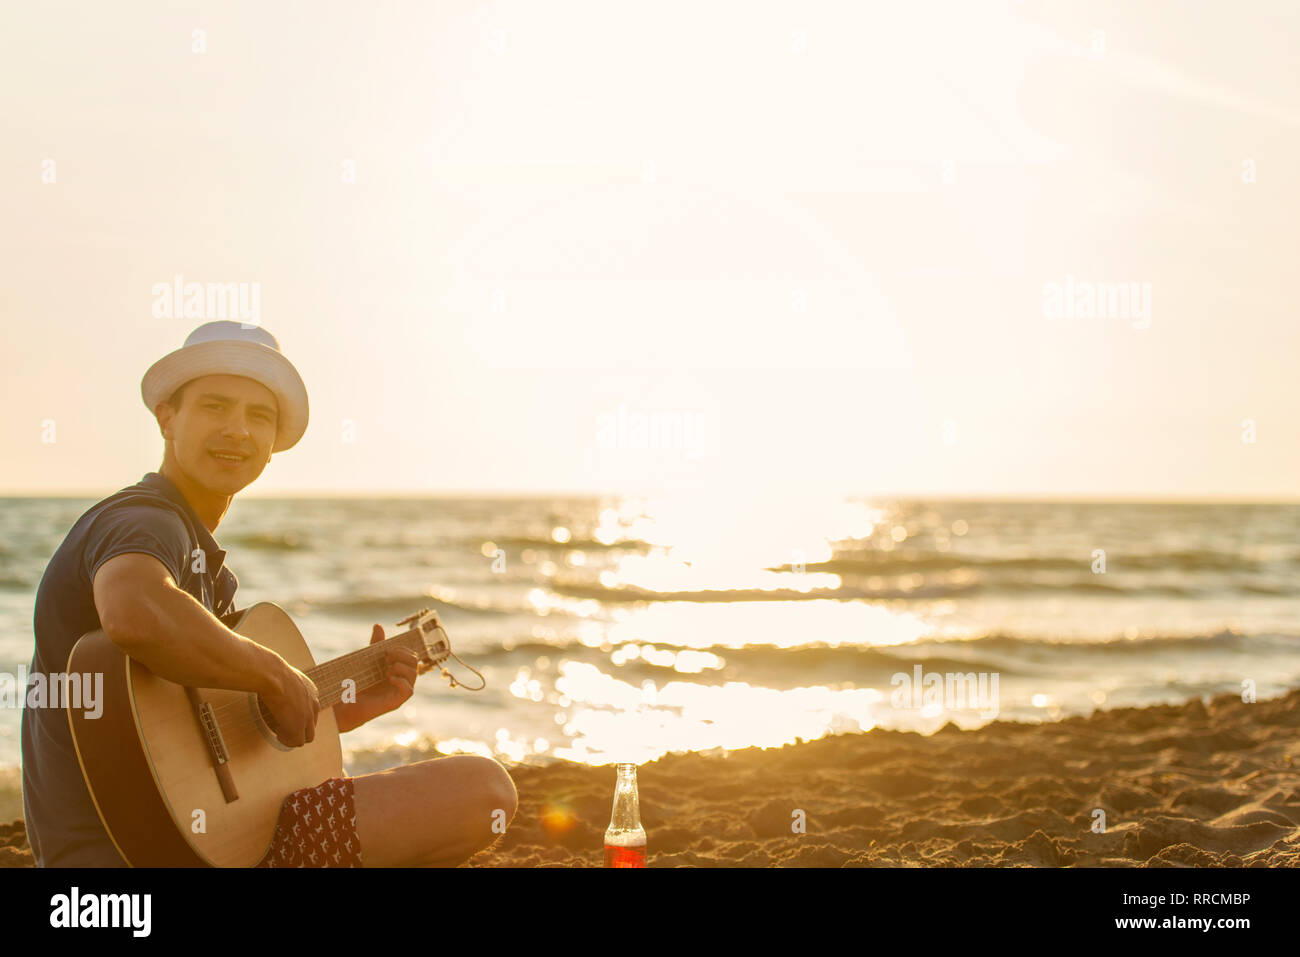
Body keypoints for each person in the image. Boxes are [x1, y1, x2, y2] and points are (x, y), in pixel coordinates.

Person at [20, 320, 517, 867]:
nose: (238, 430)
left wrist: (335, 707)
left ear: (274, 444)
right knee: (484, 790)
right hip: (138, 855)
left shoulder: (202, 566)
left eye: (259, 416)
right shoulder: (146, 522)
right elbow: (133, 611)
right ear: (167, 417)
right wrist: (277, 674)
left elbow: (198, 746)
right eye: (215, 406)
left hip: (151, 853)